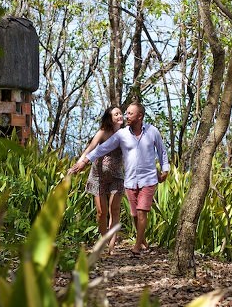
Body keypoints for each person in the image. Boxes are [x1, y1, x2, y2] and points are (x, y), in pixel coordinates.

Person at [69, 102, 169, 256]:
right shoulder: (120, 134)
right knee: (133, 214)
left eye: (129, 113)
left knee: (140, 211)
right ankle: (140, 240)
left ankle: (135, 246)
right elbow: (100, 148)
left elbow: (160, 152)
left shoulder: (152, 131)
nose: (125, 116)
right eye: (125, 113)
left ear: (140, 116)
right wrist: (83, 162)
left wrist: (165, 169)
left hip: (144, 178)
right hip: (126, 179)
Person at [72, 106, 125, 253]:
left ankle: (112, 246)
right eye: (116, 114)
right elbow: (90, 149)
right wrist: (79, 164)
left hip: (116, 176)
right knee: (101, 213)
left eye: (121, 113)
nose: (120, 116)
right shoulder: (102, 133)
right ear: (110, 118)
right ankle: (103, 240)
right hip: (98, 176)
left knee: (114, 210)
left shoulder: (124, 134)